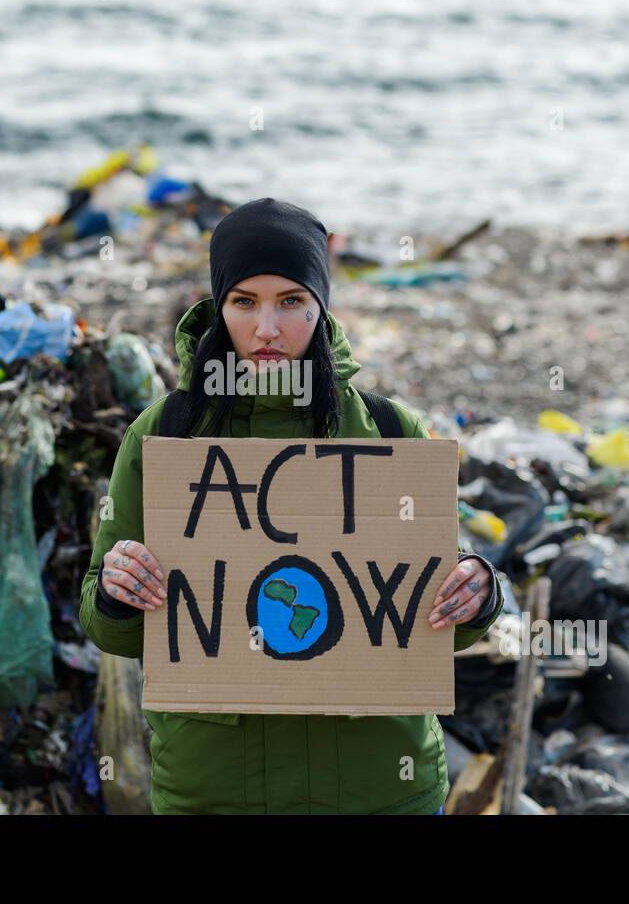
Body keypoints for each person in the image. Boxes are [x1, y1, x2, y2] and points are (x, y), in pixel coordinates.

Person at [80, 197, 505, 814]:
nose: (268, 328)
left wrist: (476, 594)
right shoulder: (164, 435)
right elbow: (101, 617)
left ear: (321, 306)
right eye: (244, 302)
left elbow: (434, 612)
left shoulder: (391, 431)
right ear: (219, 308)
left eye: (292, 302)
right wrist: (119, 590)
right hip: (217, 795)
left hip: (379, 791)